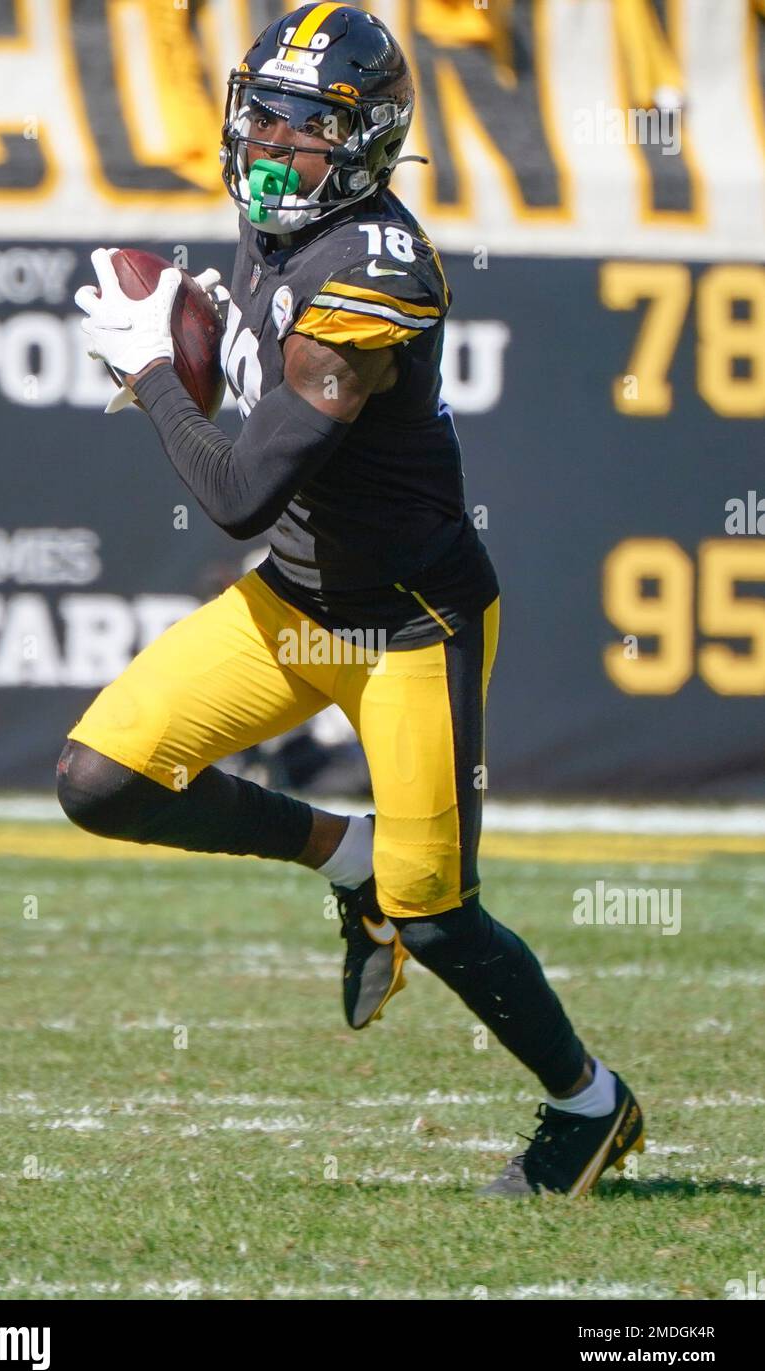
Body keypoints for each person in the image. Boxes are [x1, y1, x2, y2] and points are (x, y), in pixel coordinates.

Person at [61, 2, 643, 1197]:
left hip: (408, 629)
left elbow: (233, 487)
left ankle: (587, 1104)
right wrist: (211, 350)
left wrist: (152, 381)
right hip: (291, 602)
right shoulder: (280, 222)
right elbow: (259, 412)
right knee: (100, 780)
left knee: (436, 919)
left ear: (368, 139)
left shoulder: (373, 272)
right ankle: (343, 857)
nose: (270, 149)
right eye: (257, 119)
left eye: (303, 129)